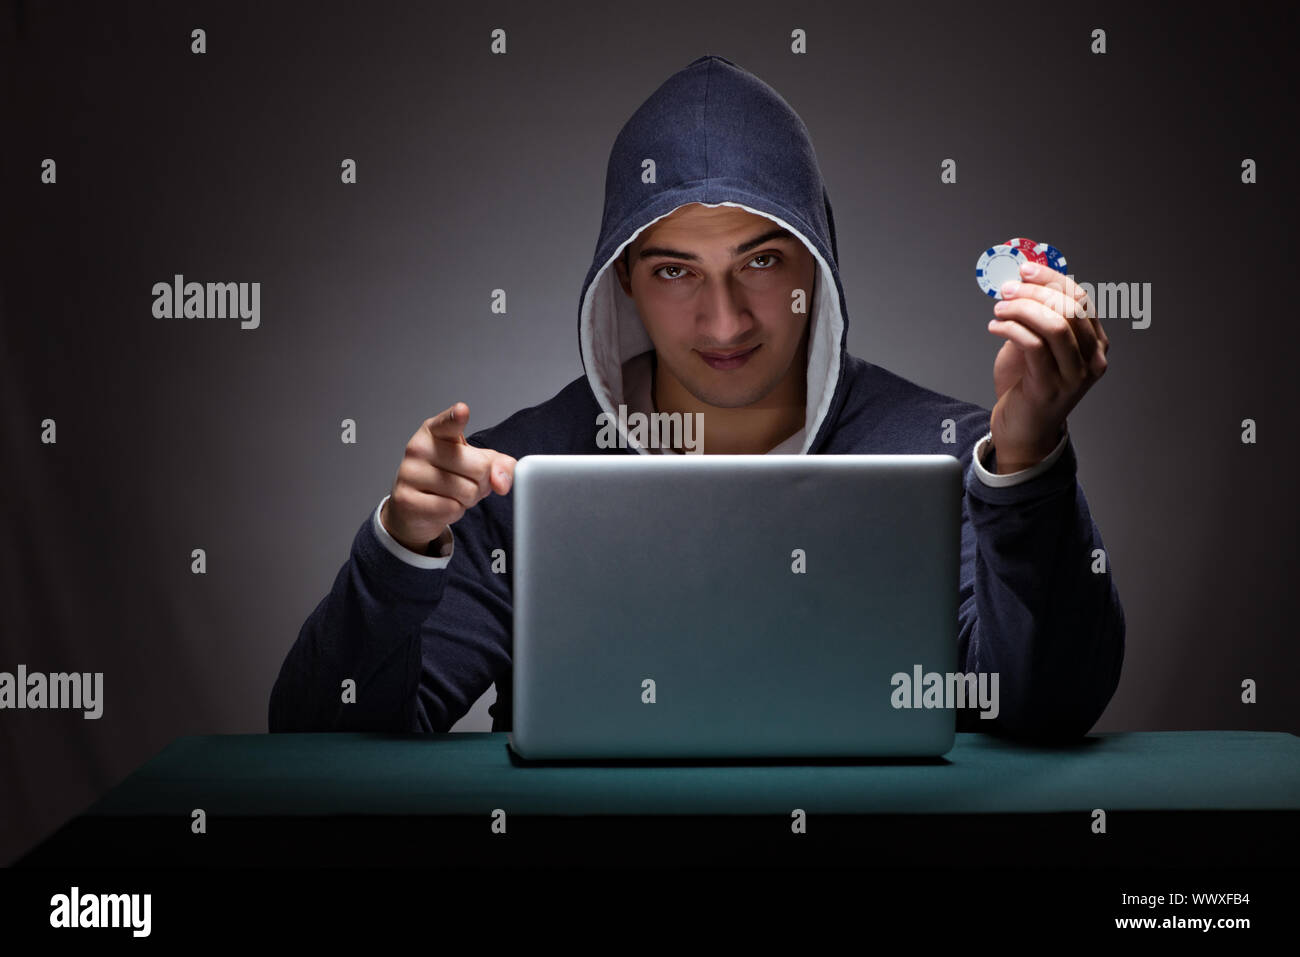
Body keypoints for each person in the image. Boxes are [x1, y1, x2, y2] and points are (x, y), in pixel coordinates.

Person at [269, 54, 1123, 741]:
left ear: (817, 269)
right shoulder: (511, 477)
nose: (725, 319)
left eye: (761, 261)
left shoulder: (949, 451)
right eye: (676, 270)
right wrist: (402, 547)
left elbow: (1044, 707)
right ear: (625, 285)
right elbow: (321, 734)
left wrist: (1029, 464)